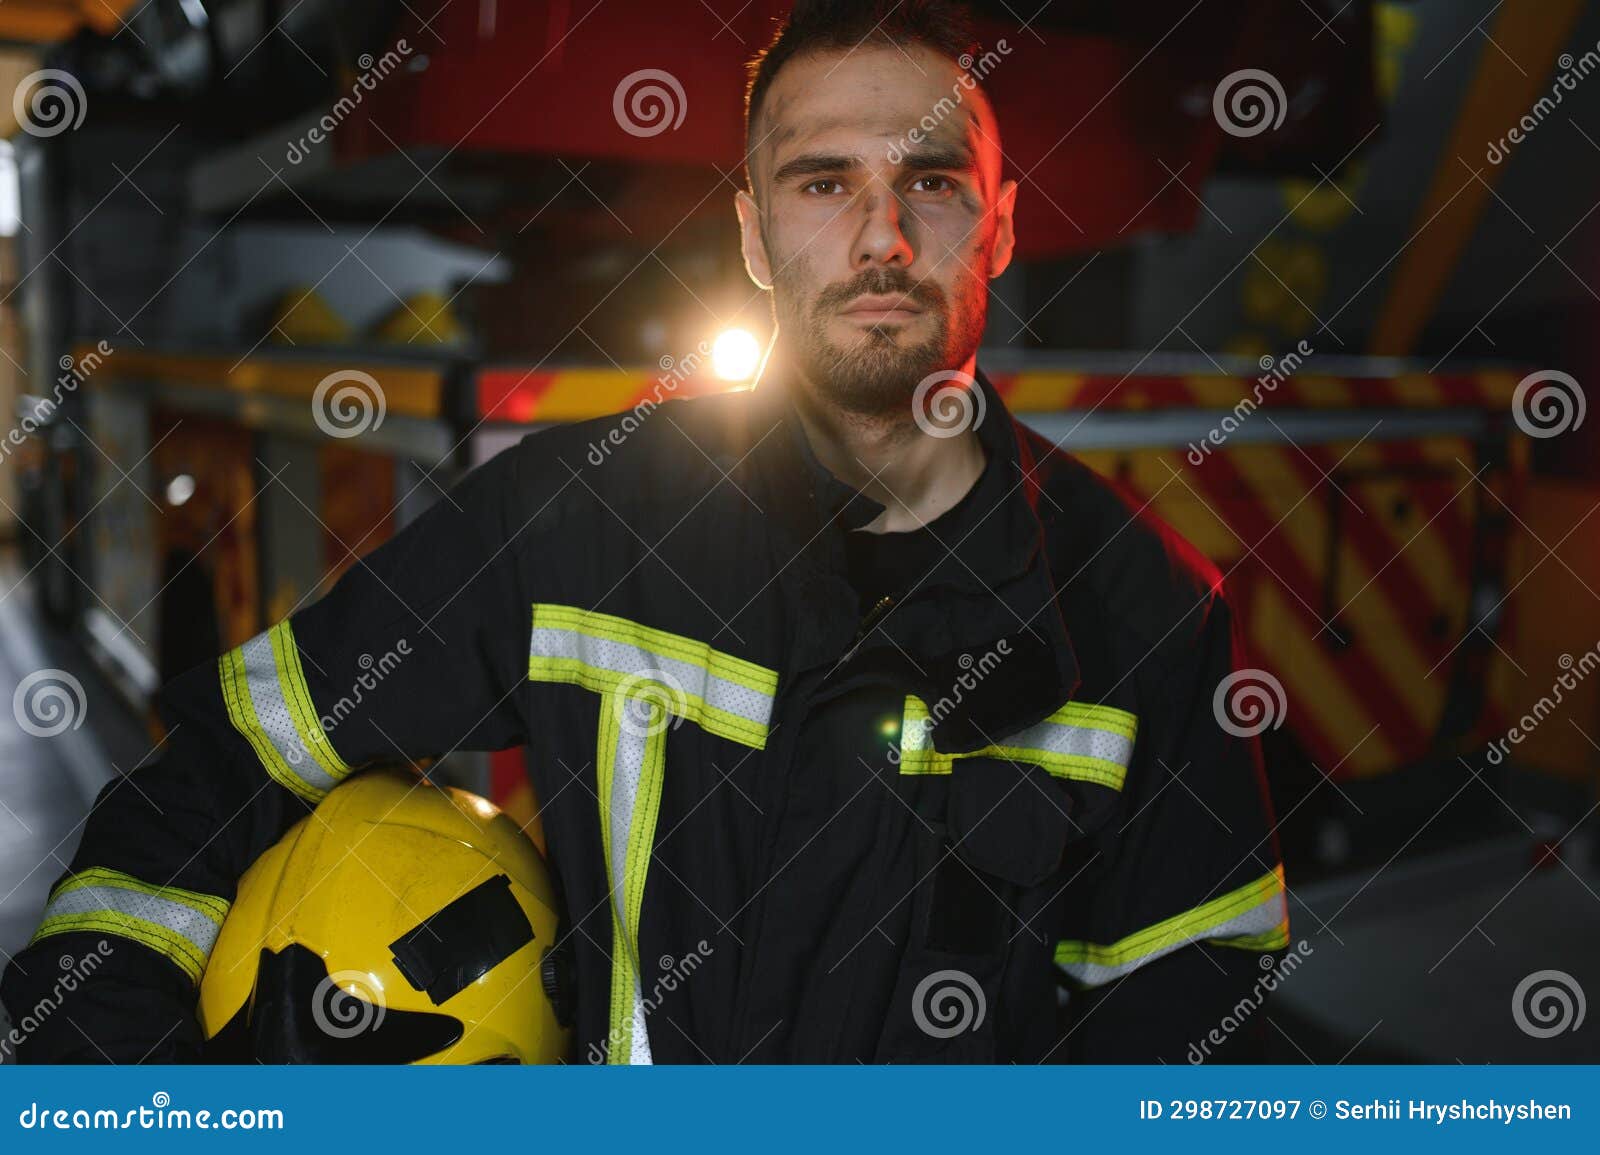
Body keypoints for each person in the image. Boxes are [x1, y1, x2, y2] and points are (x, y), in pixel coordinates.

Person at [3, 0, 1286, 1064]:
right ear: (754, 236)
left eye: (934, 181)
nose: (882, 237)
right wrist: (111, 1052)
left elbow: (1195, 1025)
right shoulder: (572, 524)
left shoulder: (1147, 618)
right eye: (823, 182)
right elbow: (229, 762)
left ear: (1000, 225)